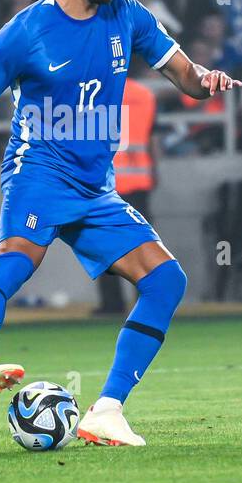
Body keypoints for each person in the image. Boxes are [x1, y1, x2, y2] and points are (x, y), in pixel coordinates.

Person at [0, 0, 241, 446]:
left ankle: (105, 411)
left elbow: (187, 79)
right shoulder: (26, 31)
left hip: (95, 187)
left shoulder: (129, 17)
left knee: (166, 281)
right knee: (15, 263)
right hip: (39, 171)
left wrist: (207, 80)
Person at [95, 63, 160, 316]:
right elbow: (153, 140)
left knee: (102, 246)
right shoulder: (146, 95)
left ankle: (112, 303)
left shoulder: (96, 93)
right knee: (142, 246)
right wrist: (155, 173)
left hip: (103, 186)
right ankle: (147, 300)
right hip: (139, 183)